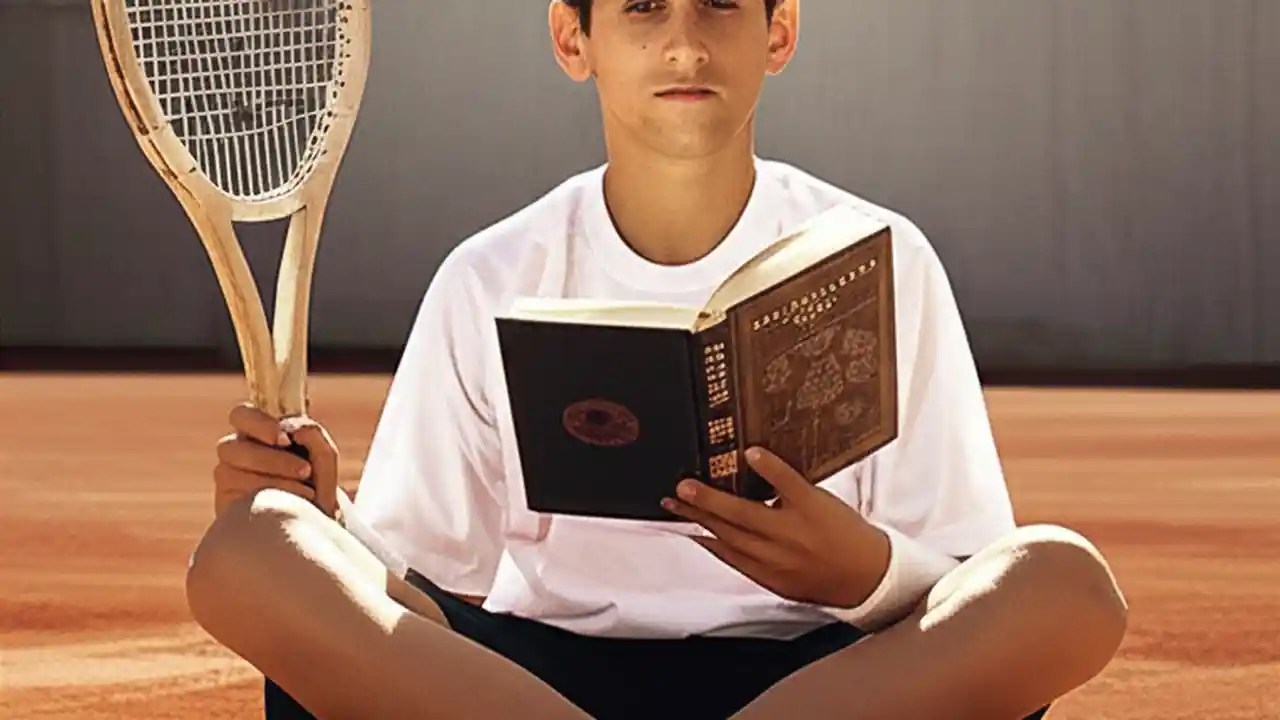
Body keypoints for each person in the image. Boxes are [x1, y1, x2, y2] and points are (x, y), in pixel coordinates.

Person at [185, 1, 1129, 718]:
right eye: (642, 5)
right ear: (573, 39)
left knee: (1063, 583)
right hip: (527, 679)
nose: (684, 43)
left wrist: (862, 573)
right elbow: (414, 586)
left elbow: (966, 578)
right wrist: (320, 512)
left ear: (779, 31)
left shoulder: (881, 258)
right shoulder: (491, 275)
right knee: (253, 547)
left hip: (821, 676)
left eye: (719, 0)